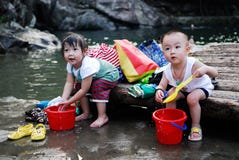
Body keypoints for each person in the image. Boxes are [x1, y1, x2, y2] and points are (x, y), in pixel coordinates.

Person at [155, 30, 218, 141]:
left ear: (187, 50)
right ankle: (171, 121)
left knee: (192, 98)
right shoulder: (167, 70)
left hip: (200, 87)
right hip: (184, 88)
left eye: (177, 47)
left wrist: (205, 69)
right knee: (170, 95)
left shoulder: (192, 64)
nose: (172, 52)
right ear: (163, 53)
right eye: (167, 48)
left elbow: (215, 73)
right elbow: (162, 85)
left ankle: (196, 126)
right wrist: (159, 91)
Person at [58, 33, 119, 128]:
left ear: (84, 52)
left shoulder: (87, 65)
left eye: (75, 49)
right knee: (78, 86)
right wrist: (64, 99)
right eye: (66, 50)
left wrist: (69, 102)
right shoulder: (70, 64)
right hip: (94, 77)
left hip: (109, 74)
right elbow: (69, 82)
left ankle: (102, 116)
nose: (70, 54)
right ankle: (86, 113)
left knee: (97, 86)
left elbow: (84, 90)